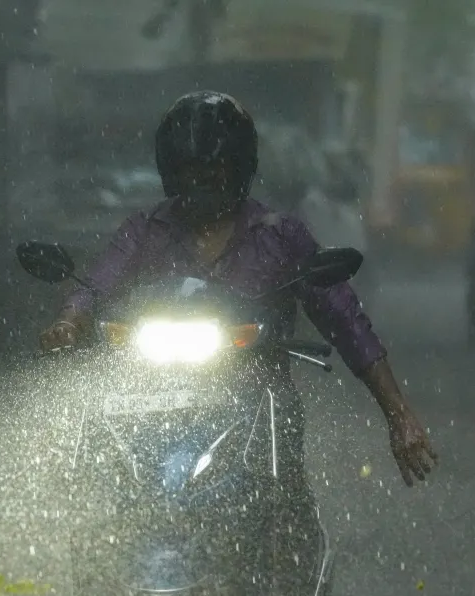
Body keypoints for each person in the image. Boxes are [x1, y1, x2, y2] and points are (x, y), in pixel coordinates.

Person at [38, 91, 436, 486]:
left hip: (258, 405)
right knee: (97, 468)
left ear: (240, 168)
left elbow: (346, 321)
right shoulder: (143, 230)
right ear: (171, 172)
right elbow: (96, 284)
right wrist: (71, 322)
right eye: (191, 169)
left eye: (216, 169)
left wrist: (398, 415)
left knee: (280, 497)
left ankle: (288, 536)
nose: (203, 180)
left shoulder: (281, 235)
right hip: (148, 401)